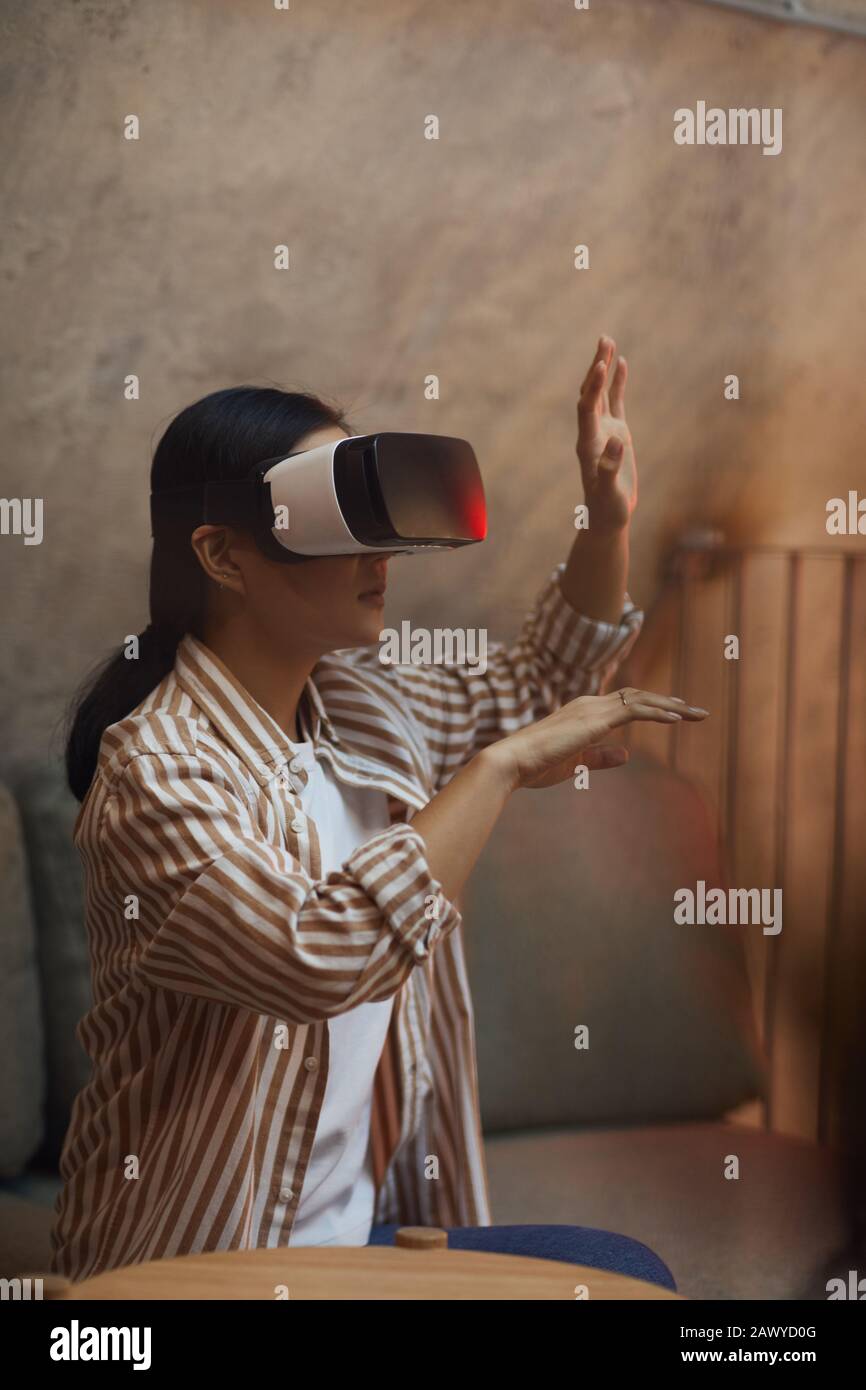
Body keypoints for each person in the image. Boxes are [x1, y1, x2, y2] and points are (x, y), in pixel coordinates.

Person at [52, 335, 708, 1292]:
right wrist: (494, 770)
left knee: (622, 1272)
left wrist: (606, 523)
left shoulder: (362, 704)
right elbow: (324, 955)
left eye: (375, 516)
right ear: (223, 554)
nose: (382, 554)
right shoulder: (155, 773)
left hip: (358, 1239)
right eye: (334, 518)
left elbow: (541, 686)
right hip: (198, 1267)